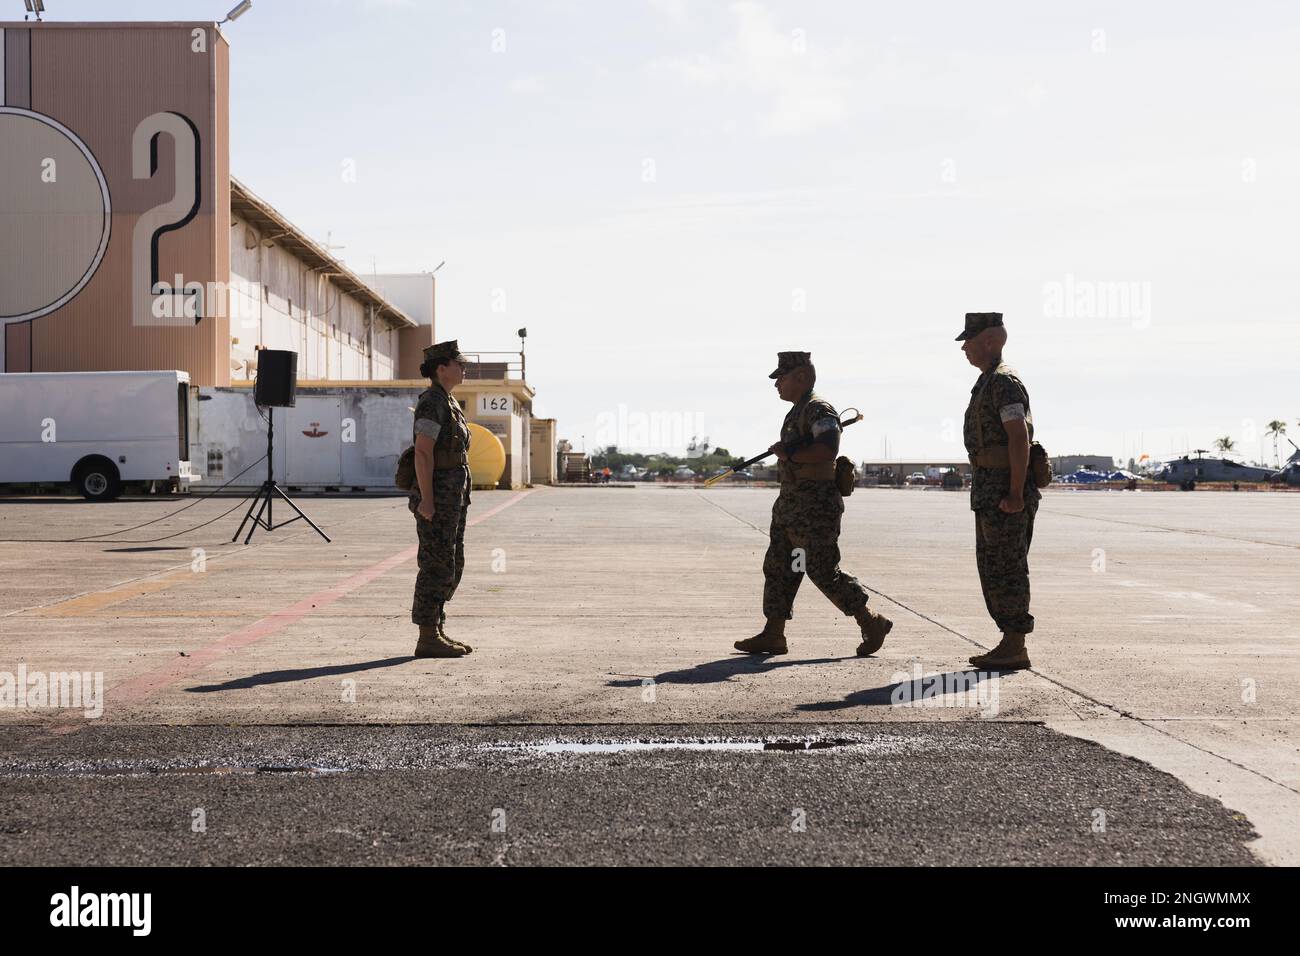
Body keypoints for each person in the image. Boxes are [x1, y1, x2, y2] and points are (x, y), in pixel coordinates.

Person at [734, 351, 893, 657]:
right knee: (780, 566)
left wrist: (789, 454)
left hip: (815, 506)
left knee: (821, 569)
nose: (777, 384)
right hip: (791, 504)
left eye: (781, 377)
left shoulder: (818, 409)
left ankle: (870, 620)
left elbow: (828, 449)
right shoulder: (797, 412)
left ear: (801, 377)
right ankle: (773, 633)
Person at [958, 313, 1039, 670]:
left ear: (990, 341)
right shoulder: (987, 381)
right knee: (992, 567)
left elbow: (1018, 438)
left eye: (969, 340)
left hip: (1005, 492)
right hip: (990, 490)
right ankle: (1009, 641)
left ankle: (1015, 645)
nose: (964, 347)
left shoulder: (1003, 382)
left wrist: (1016, 493)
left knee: (1007, 567)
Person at [410, 340, 474, 658]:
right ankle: (427, 636)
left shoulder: (448, 401)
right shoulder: (432, 402)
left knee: (450, 563)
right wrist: (427, 500)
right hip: (438, 497)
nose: (463, 369)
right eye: (458, 364)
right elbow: (423, 452)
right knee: (435, 563)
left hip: (453, 498)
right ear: (441, 368)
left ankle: (437, 628)